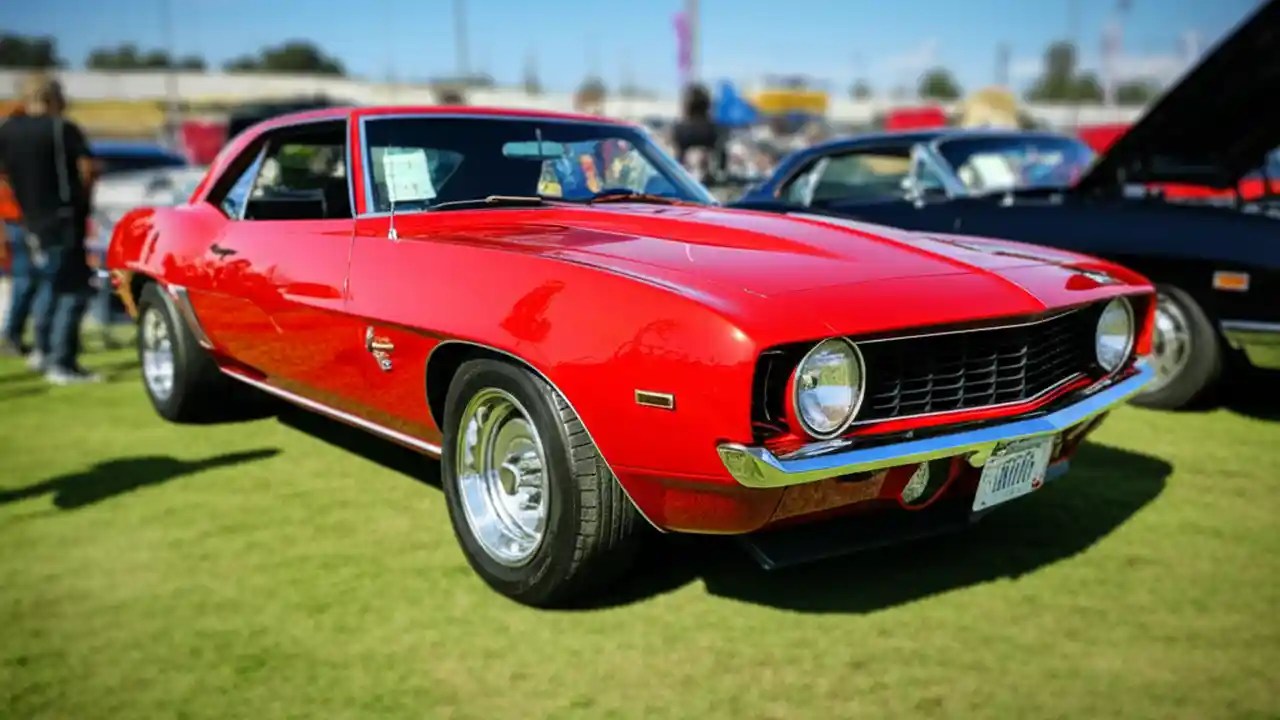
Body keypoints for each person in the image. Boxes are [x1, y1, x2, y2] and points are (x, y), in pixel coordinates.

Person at [0, 74, 99, 384]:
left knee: (46, 285)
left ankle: (42, 350)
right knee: (73, 290)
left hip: (29, 219)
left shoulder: (8, 130)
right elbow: (86, 169)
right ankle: (62, 361)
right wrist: (82, 202)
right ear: (54, 97)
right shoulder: (62, 128)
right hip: (63, 218)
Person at [671, 83, 726, 185]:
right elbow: (722, 161)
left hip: (685, 182)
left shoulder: (680, 129)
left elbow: (677, 160)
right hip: (709, 184)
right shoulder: (715, 129)